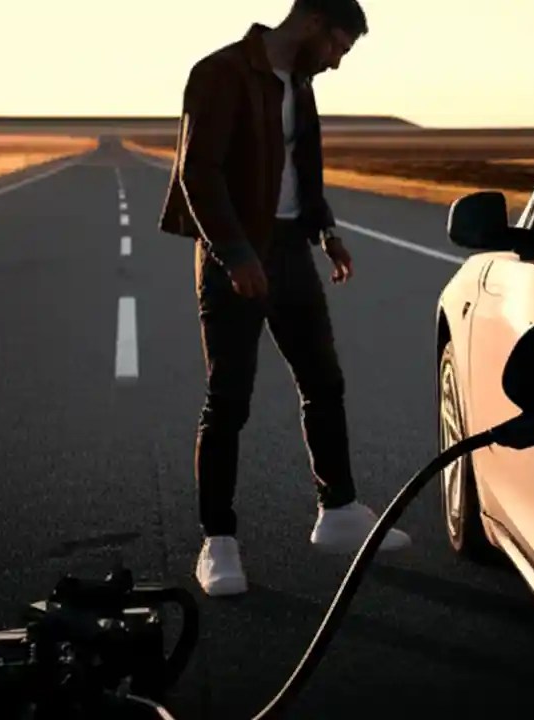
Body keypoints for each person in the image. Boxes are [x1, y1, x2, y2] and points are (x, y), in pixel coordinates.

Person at [158, 0, 411, 597]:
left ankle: (340, 513)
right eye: (338, 49)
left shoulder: (299, 81)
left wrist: (326, 230)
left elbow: (304, 167)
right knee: (228, 400)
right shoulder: (219, 72)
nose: (336, 63)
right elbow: (199, 174)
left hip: (292, 248)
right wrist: (235, 254)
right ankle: (218, 544)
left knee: (323, 381)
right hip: (235, 254)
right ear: (315, 24)